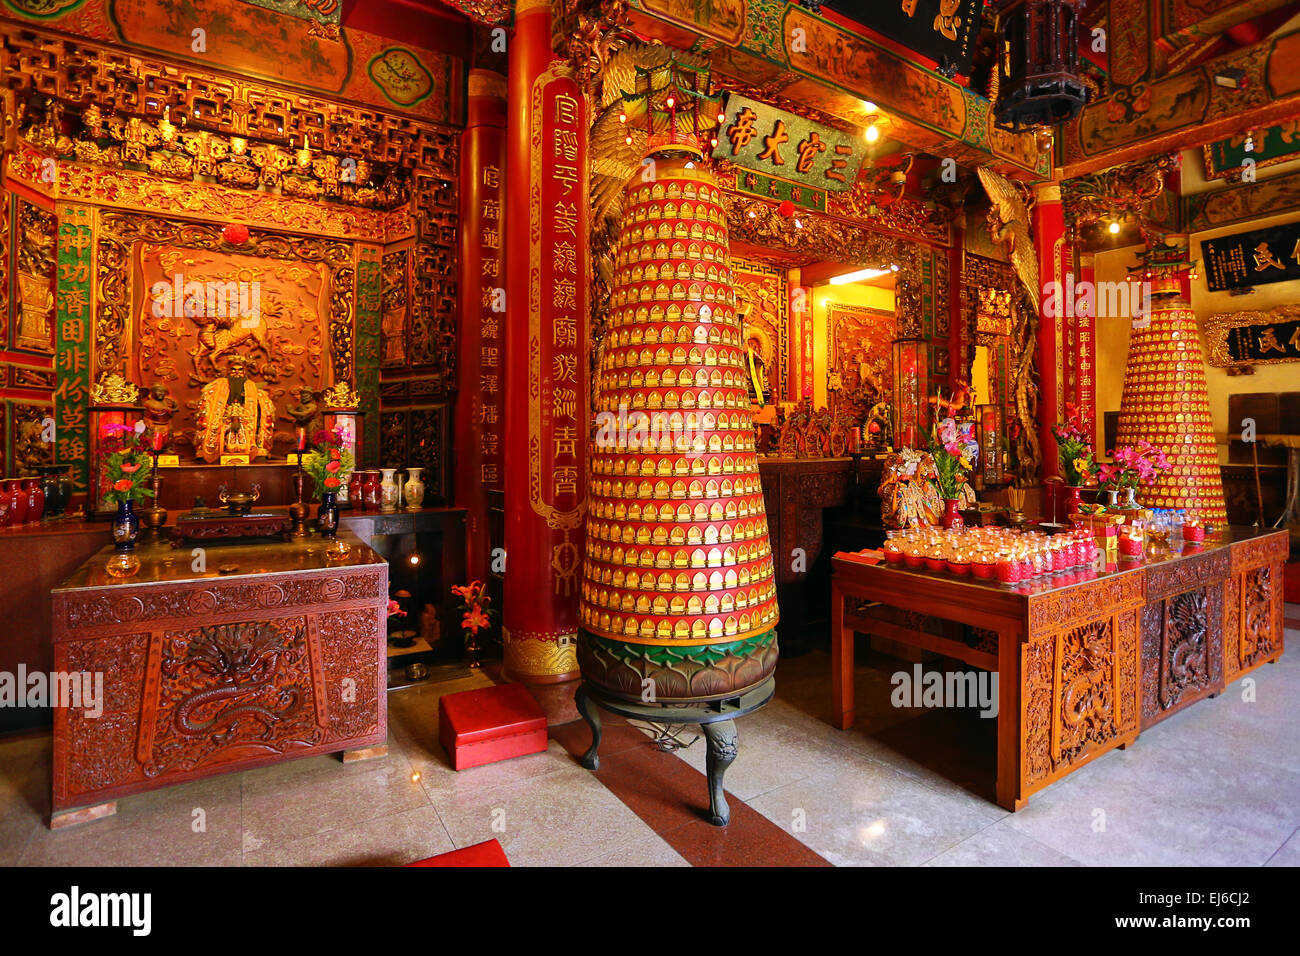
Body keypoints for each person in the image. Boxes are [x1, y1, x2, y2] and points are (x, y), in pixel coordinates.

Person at [195, 354, 275, 462]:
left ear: (245, 371)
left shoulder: (251, 386)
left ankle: (254, 449)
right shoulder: (219, 385)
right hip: (224, 420)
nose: (236, 372)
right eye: (233, 369)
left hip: (246, 421)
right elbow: (209, 398)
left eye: (240, 369)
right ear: (228, 371)